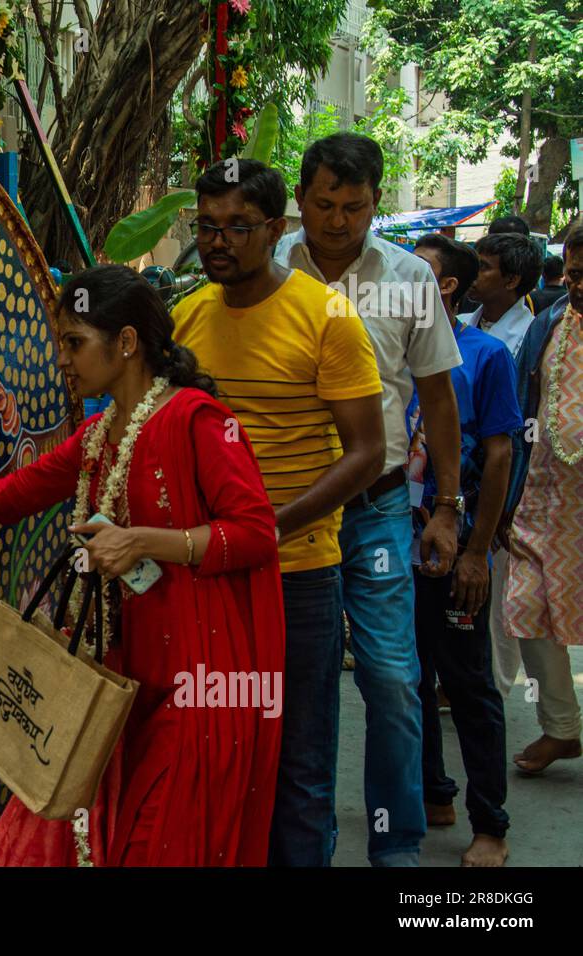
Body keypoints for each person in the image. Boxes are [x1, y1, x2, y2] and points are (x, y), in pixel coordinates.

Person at [0, 265, 286, 866]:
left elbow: (257, 532)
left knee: (163, 844)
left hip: (195, 681)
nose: (64, 361)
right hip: (120, 675)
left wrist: (144, 542)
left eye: (74, 343)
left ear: (126, 343)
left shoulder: (198, 420)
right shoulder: (99, 435)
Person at [172, 159, 385, 866]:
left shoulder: (327, 316)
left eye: (238, 225)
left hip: (297, 578)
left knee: (298, 767)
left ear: (277, 228)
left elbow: (365, 455)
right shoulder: (187, 317)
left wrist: (264, 530)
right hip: (204, 576)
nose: (219, 241)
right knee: (219, 757)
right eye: (207, 226)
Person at [275, 132, 464, 868]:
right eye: (324, 204)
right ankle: (305, 847)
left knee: (391, 681)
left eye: (354, 207)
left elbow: (439, 399)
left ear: (376, 203)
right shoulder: (269, 267)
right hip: (291, 511)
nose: (338, 221)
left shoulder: (411, 277)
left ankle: (395, 845)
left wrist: (446, 507)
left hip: (379, 507)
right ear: (300, 200)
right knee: (304, 687)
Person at [408, 235, 520, 867]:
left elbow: (500, 454)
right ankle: (434, 793)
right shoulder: (392, 350)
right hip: (401, 544)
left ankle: (491, 824)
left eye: (418, 273)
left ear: (447, 286)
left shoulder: (486, 356)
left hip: (458, 549)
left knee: (469, 684)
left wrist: (478, 551)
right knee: (410, 677)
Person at [502, 225, 583, 774]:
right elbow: (518, 409)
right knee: (525, 607)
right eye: (574, 273)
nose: (577, 285)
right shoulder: (550, 322)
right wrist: (507, 495)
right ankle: (562, 728)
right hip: (546, 500)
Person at [459, 233, 542, 699]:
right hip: (460, 475)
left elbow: (516, 436)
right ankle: (464, 678)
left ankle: (492, 685)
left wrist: (510, 501)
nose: (476, 272)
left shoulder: (525, 337)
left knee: (498, 587)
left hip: (501, 481)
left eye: (485, 266)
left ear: (511, 280)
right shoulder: (468, 324)